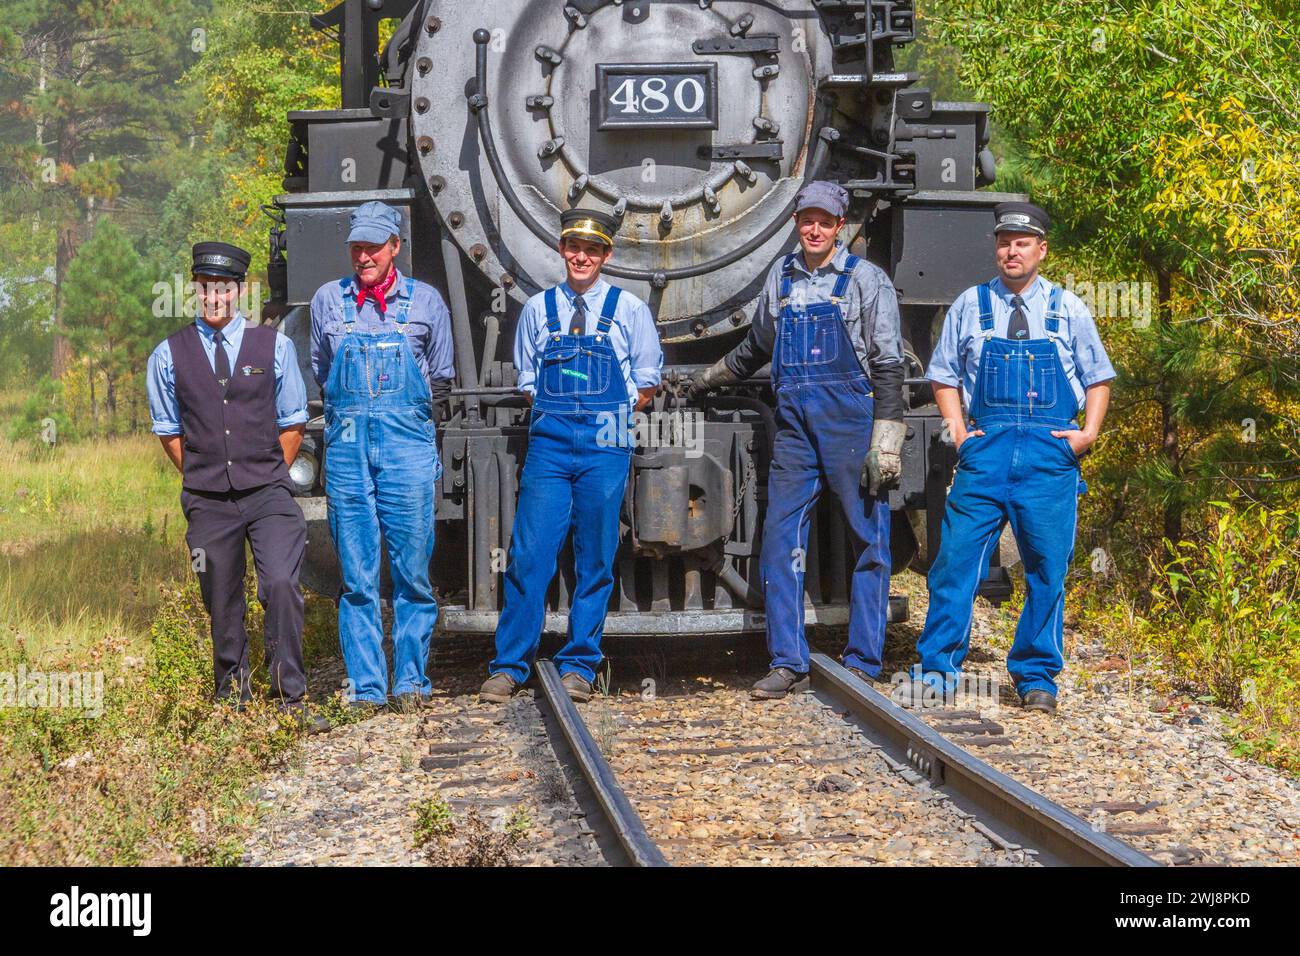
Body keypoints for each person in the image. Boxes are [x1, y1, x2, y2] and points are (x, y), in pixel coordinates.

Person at [689, 181, 907, 700]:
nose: (814, 228)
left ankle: (862, 661)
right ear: (796, 222)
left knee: (868, 540)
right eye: (807, 219)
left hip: (851, 422)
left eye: (824, 221)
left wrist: (888, 439)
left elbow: (889, 365)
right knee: (780, 539)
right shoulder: (781, 277)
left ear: (840, 226)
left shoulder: (865, 281)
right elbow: (757, 347)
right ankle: (787, 659)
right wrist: (704, 379)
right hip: (794, 428)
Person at [913, 202, 1116, 714]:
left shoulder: (1068, 308)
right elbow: (942, 374)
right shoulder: (970, 304)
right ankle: (938, 670)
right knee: (954, 563)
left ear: (1041, 251)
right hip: (986, 455)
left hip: (1049, 459)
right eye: (1004, 241)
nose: (1011, 250)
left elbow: (1098, 377)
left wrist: (1087, 435)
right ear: (996, 248)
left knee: (1047, 568)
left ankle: (1036, 676)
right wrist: (958, 432)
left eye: (1022, 243)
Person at [480, 209, 664, 704]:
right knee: (529, 554)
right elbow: (527, 384)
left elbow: (646, 381)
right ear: (562, 251)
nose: (582, 257)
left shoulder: (629, 309)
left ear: (606, 255)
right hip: (551, 442)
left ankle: (580, 664)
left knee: (596, 555)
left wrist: (613, 421)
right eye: (574, 248)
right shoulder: (539, 309)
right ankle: (510, 665)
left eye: (594, 249)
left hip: (607, 439)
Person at [147, 242, 327, 733]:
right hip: (208, 501)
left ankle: (291, 697)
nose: (216, 296)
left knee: (283, 586)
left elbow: (293, 422)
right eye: (206, 287)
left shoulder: (275, 347)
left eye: (225, 287)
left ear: (241, 291)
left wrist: (266, 471)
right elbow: (169, 432)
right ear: (196, 290)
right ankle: (232, 700)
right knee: (221, 596)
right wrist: (205, 474)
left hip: (268, 494)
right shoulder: (168, 355)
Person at [309, 201, 455, 713]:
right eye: (357, 246)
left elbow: (439, 377)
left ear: (396, 246)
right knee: (357, 575)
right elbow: (322, 370)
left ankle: (411, 682)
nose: (364, 255)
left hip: (408, 449)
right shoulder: (328, 301)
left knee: (413, 572)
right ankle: (368, 688)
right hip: (347, 451)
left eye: (373, 246)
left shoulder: (427, 302)